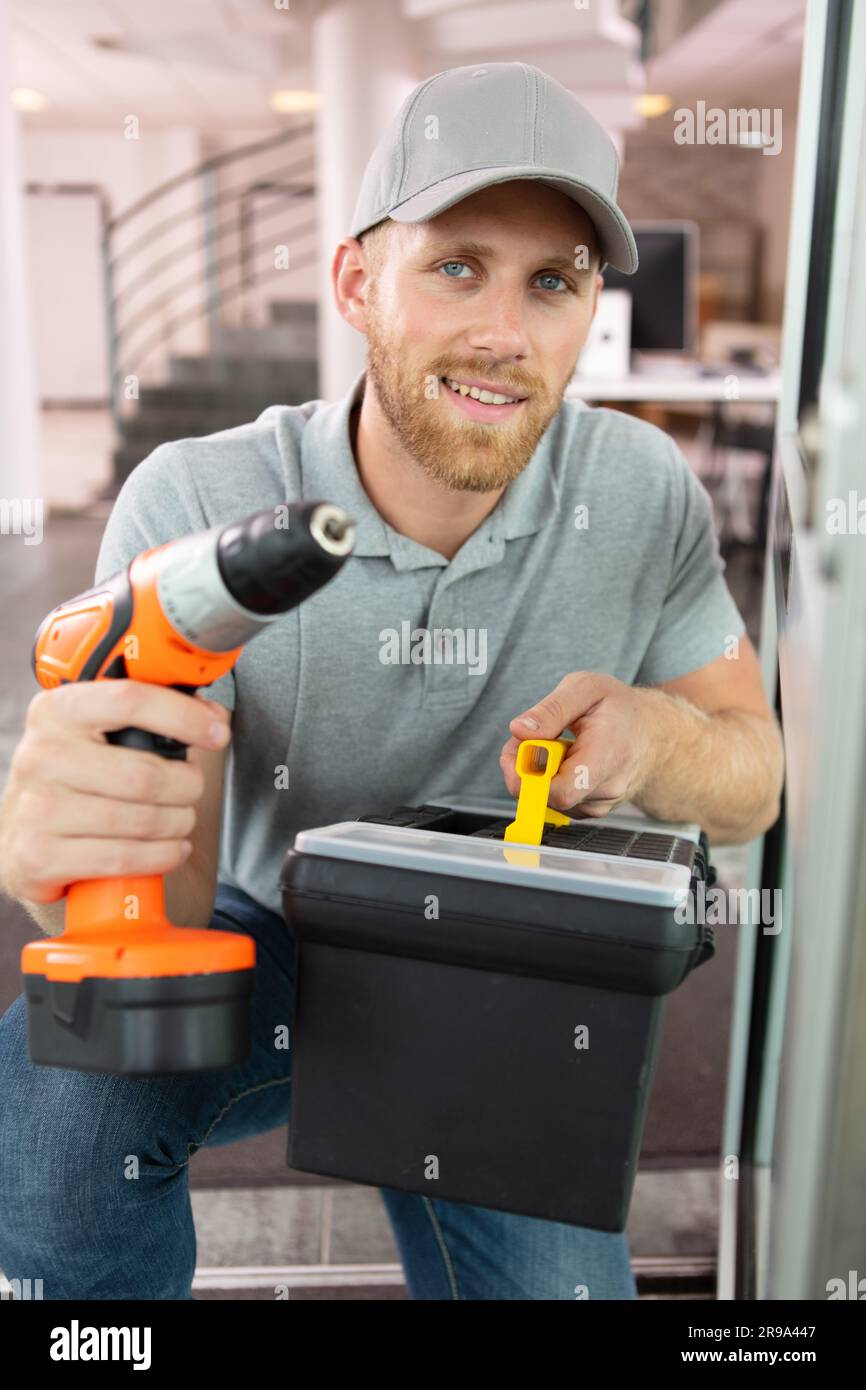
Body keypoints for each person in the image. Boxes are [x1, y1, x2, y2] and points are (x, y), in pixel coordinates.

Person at [0, 61, 783, 1301]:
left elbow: (753, 782)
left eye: (552, 282)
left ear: (590, 309)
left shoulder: (642, 493)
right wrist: (101, 854)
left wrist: (651, 740)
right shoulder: (196, 503)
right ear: (358, 283)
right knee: (53, 1115)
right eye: (455, 266)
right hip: (271, 933)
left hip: (500, 962)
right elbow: (179, 898)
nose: (502, 335)